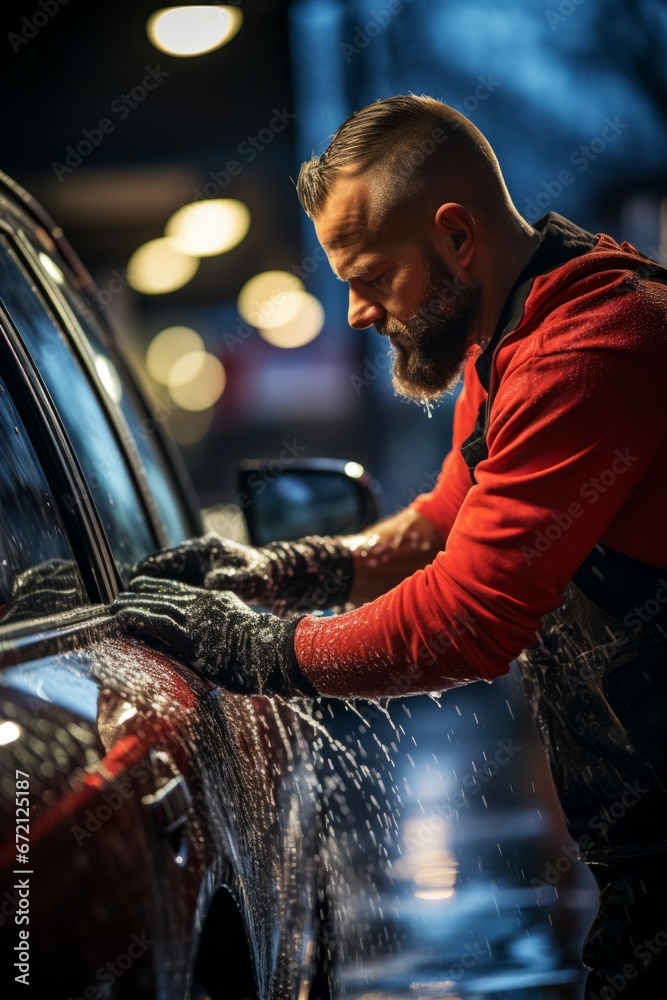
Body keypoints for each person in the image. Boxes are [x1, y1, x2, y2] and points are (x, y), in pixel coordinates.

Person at [115, 96, 667, 996]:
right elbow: (447, 516)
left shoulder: (593, 345)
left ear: (455, 237)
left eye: (369, 275)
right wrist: (290, 571)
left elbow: (468, 619)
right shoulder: (515, 338)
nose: (358, 313)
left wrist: (245, 647)